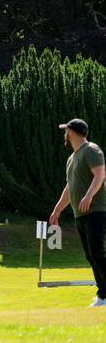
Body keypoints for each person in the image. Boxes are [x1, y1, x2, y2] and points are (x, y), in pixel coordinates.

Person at [48, 118, 106, 307]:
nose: (65, 134)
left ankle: (105, 295)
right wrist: (57, 210)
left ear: (71, 132)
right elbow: (69, 188)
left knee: (98, 253)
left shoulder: (91, 150)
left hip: (97, 210)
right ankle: (103, 294)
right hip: (80, 214)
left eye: (66, 131)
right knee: (91, 255)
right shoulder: (71, 158)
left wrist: (89, 196)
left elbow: (100, 174)